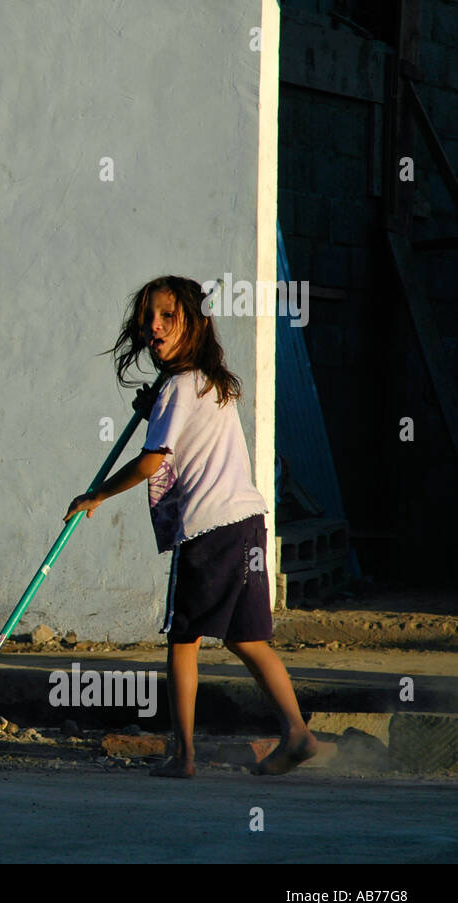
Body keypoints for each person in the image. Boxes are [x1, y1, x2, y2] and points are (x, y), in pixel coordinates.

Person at [63, 276, 320, 777]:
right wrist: (153, 409)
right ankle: (297, 733)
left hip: (207, 529)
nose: (153, 328)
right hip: (247, 520)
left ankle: (183, 756)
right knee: (247, 638)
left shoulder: (178, 388)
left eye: (167, 317)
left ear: (194, 323)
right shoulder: (209, 382)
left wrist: (95, 496)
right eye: (147, 321)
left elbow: (151, 463)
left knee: (183, 640)